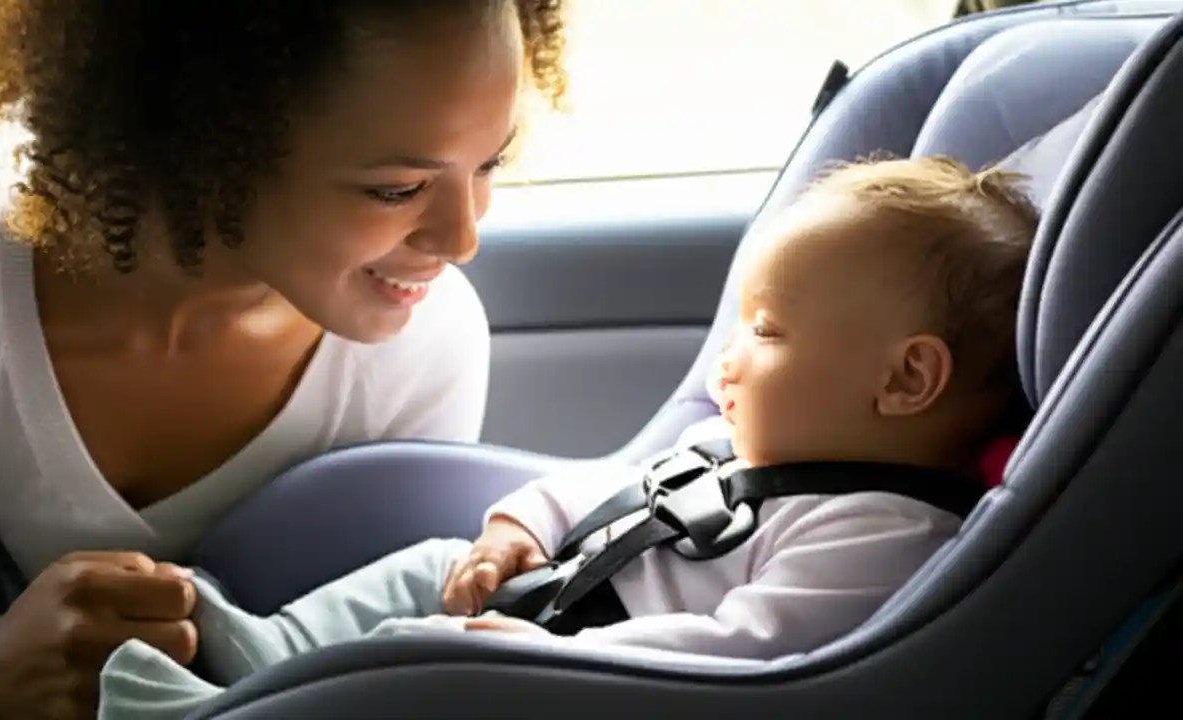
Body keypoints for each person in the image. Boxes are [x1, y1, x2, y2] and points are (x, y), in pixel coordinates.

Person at [94, 154, 1040, 719]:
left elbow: (748, 654)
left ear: (905, 379)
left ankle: (225, 710)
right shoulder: (748, 456)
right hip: (550, 610)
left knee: (420, 661)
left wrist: (554, 659)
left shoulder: (882, 532)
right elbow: (613, 489)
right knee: (431, 565)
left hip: (584, 683)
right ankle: (267, 649)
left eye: (767, 332)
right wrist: (520, 530)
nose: (729, 358)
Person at [0, 1, 567, 717]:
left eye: (489, 164)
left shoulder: (421, 353)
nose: (462, 238)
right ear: (209, 132)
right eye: (397, 190)